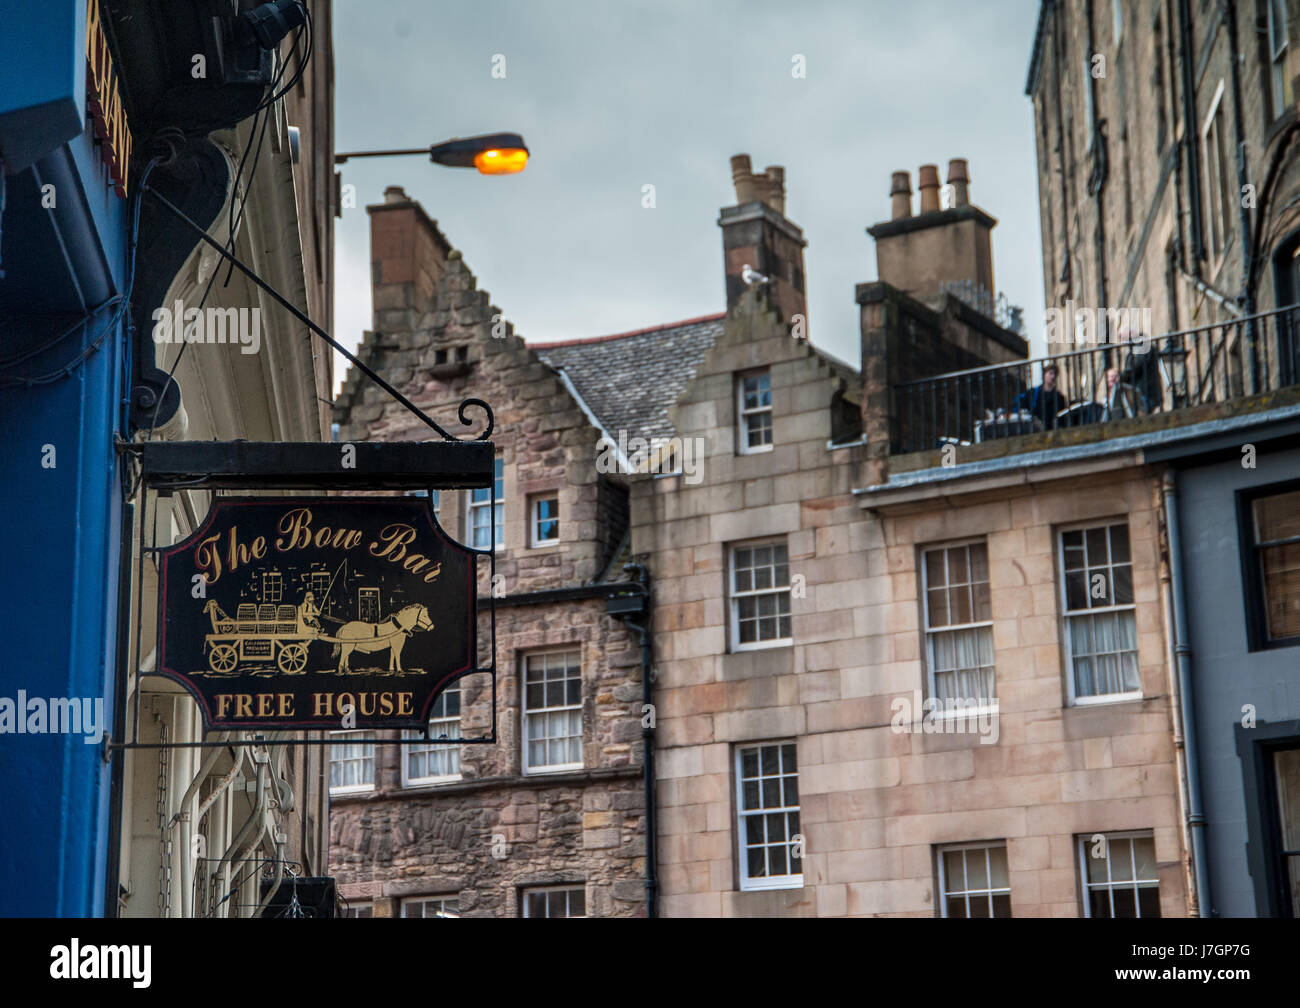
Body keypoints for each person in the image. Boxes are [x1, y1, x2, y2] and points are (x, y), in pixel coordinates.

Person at [1012, 362, 1067, 429]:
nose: (1053, 376)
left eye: (1055, 374)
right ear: (1044, 375)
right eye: (1050, 373)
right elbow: (1019, 403)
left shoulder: (1059, 397)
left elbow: (1061, 417)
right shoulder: (1033, 393)